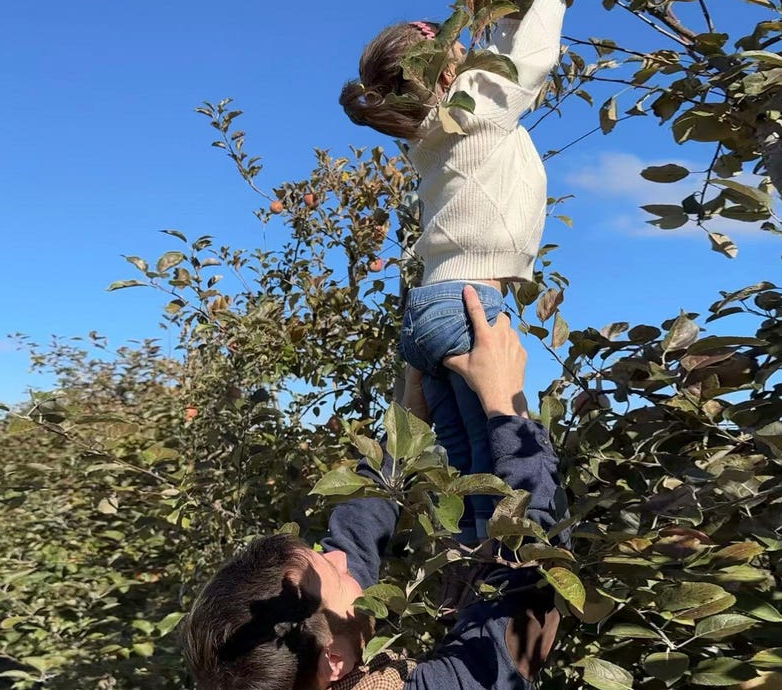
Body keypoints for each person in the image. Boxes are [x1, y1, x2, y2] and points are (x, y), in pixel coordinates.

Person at [182, 286, 568, 690]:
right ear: (333, 661)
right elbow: (536, 583)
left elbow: (353, 537)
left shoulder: (304, 668)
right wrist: (507, 404)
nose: (339, 559)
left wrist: (405, 428)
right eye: (334, 574)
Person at [339, 0, 567, 542]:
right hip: (468, 306)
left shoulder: (432, 132)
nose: (469, 55)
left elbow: (501, 65)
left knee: (468, 469)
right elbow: (529, 62)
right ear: (445, 77)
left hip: (430, 311)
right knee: (499, 459)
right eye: (458, 53)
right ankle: (508, 566)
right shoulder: (472, 112)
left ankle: (471, 565)